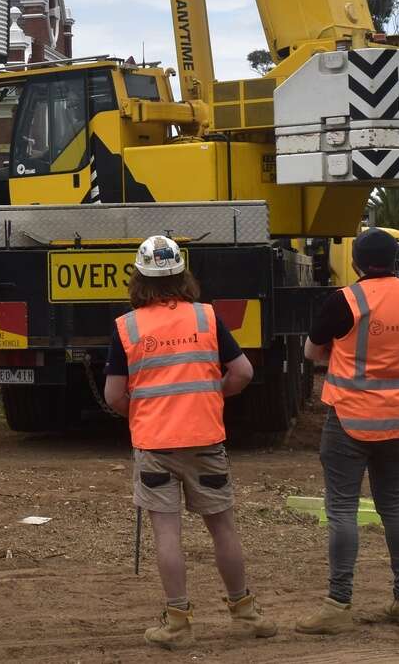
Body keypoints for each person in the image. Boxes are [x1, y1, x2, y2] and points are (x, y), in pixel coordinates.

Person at [103, 235, 276, 650]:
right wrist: (214, 393)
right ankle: (245, 611)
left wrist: (143, 412)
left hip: (156, 444)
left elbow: (113, 396)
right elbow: (244, 373)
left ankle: (178, 623)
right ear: (183, 274)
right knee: (223, 527)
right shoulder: (206, 318)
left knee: (168, 533)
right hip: (205, 439)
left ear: (139, 279)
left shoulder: (127, 327)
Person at [296, 228, 399, 635]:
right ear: (396, 261)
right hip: (396, 419)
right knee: (393, 506)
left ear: (355, 262)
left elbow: (312, 352)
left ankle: (338, 604)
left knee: (341, 510)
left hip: (350, 418)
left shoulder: (346, 300)